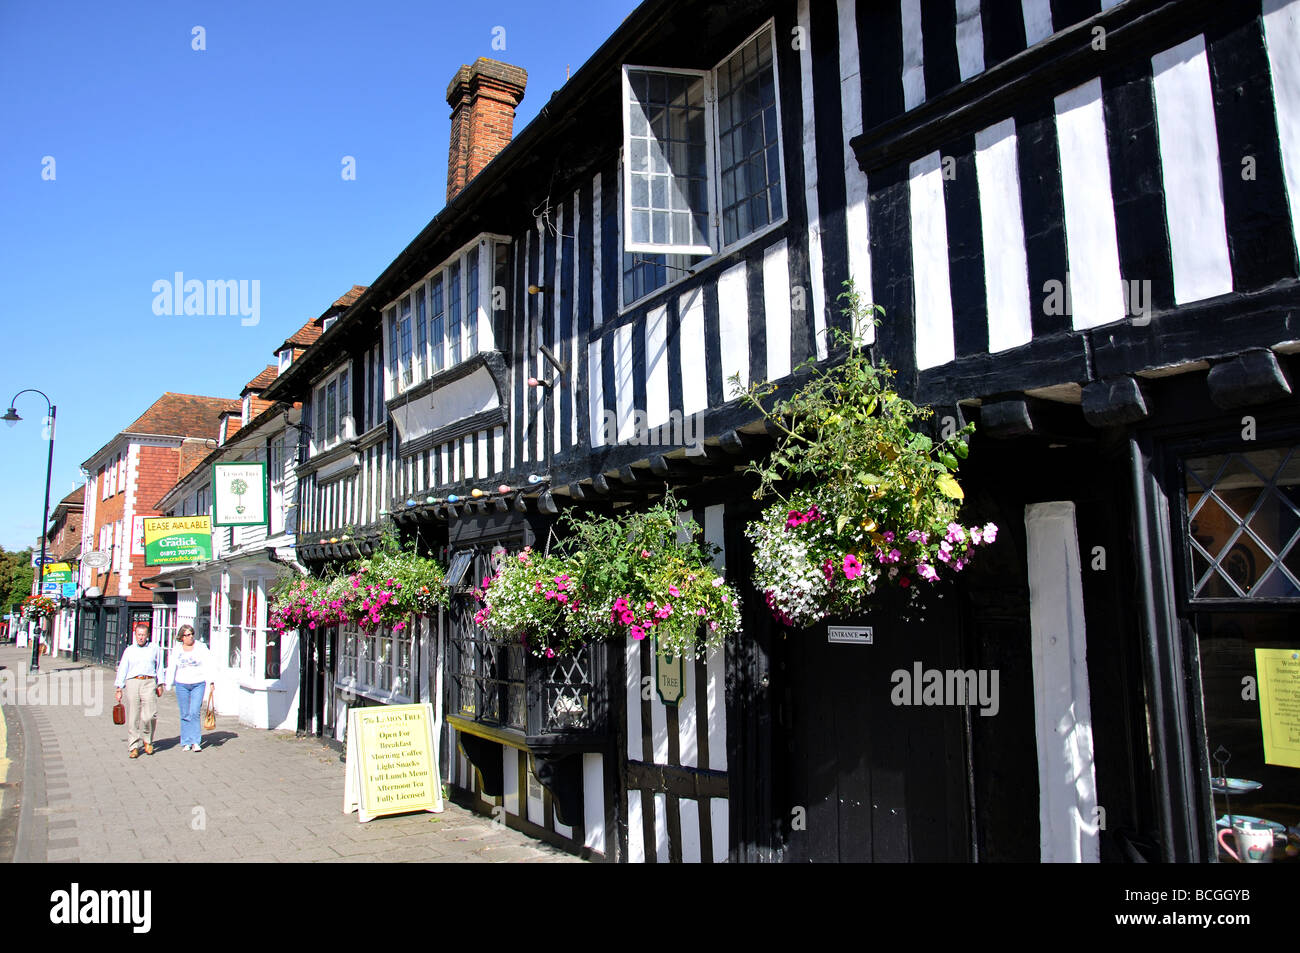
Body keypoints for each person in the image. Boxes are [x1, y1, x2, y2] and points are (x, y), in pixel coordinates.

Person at [161, 624, 215, 751]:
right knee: (185, 713)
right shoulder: (177, 649)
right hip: (182, 684)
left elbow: (209, 663)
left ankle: (196, 741)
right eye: (187, 635)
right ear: (182, 637)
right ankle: (186, 741)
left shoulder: (201, 647)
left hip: (198, 683)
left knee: (194, 712)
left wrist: (211, 681)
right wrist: (168, 683)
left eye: (192, 634)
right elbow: (172, 666)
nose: (190, 637)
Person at [113, 622, 163, 758]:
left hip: (149, 681)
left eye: (143, 635)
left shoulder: (154, 648)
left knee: (150, 715)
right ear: (135, 635)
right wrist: (119, 688)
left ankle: (147, 740)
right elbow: (123, 668)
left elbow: (159, 666)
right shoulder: (129, 650)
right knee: (134, 715)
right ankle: (133, 746)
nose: (141, 637)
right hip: (133, 681)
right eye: (138, 635)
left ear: (148, 635)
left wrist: (160, 684)